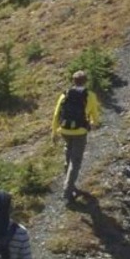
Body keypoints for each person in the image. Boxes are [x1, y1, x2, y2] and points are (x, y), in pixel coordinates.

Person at [52, 68, 103, 202]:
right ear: (85, 81)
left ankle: (70, 185)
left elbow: (56, 114)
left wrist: (54, 132)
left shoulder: (65, 95)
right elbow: (94, 115)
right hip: (80, 132)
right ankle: (68, 192)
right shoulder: (90, 95)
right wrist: (94, 124)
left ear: (73, 81)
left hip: (64, 130)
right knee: (75, 161)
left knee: (68, 156)